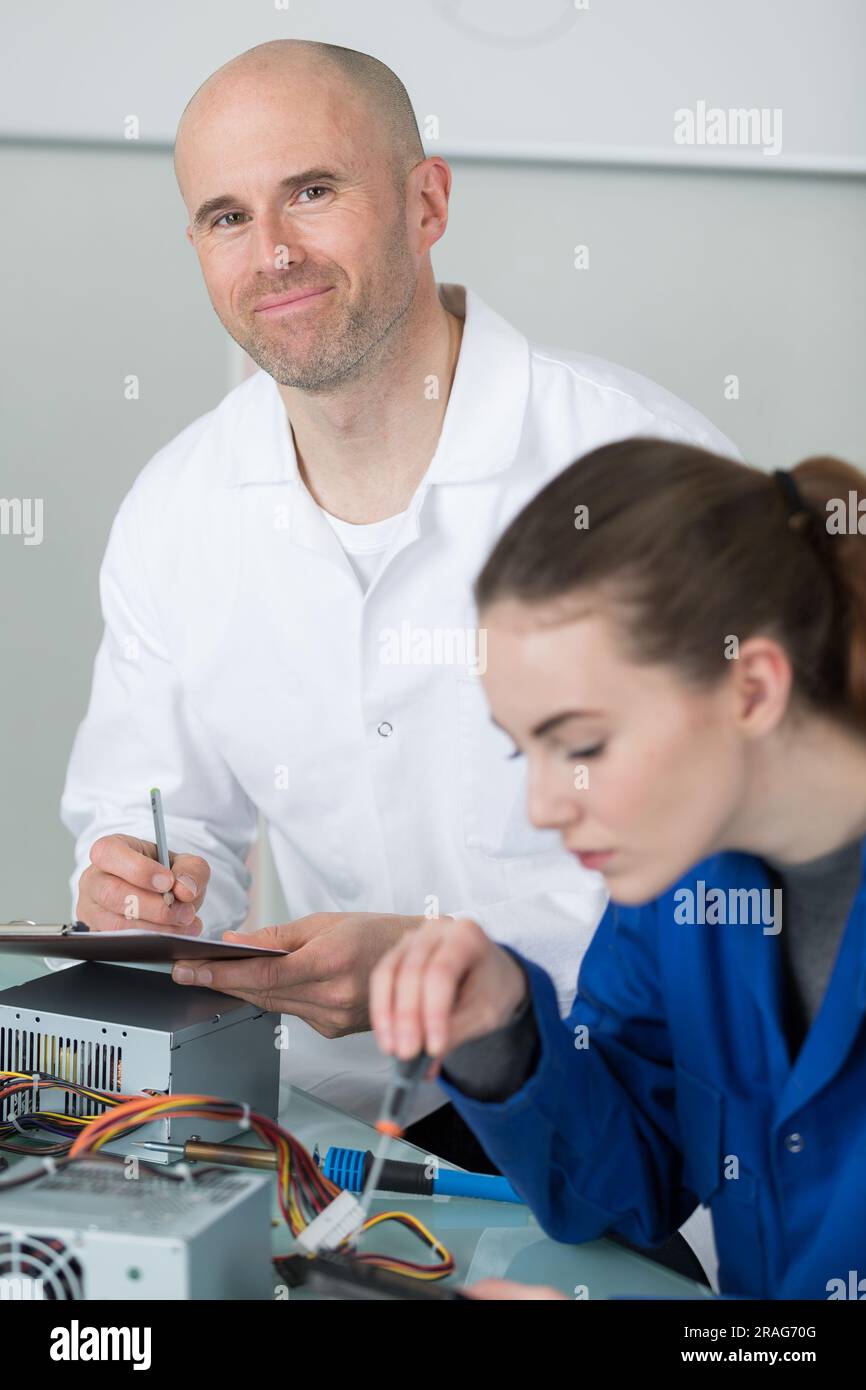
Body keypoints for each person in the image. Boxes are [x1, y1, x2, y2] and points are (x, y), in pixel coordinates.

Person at [60, 40, 736, 1152]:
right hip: (336, 1123)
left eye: (312, 192)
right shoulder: (175, 507)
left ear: (426, 202)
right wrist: (140, 886)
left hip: (636, 1117)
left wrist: (469, 981)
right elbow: (158, 815)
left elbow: (760, 861)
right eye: (227, 217)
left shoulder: (631, 464)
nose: (272, 253)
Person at [369, 437, 866, 1300]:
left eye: (583, 745)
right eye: (526, 750)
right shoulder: (682, 884)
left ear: (751, 688)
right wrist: (500, 1027)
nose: (544, 806)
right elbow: (620, 1188)